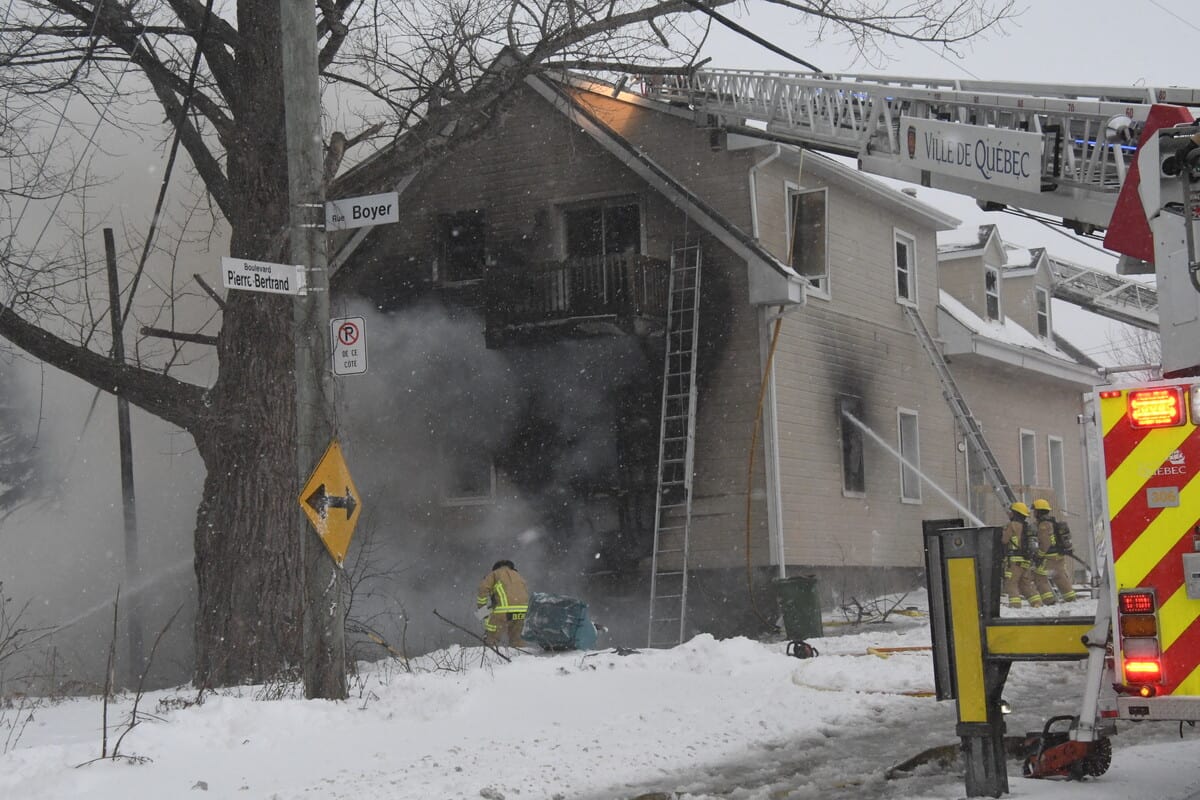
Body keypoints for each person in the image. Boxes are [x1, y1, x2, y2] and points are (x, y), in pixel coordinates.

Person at [476, 559, 529, 647]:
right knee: (517, 640)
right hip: (522, 611)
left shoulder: (494, 574)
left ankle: (490, 654)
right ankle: (519, 658)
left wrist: (482, 609)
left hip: (503, 611)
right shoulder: (518, 575)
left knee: (492, 638)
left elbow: (483, 589)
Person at [1033, 498, 1077, 603]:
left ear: (1039, 511)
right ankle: (1070, 598)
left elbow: (1045, 543)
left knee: (1039, 577)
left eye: (1034, 510)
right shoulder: (1053, 522)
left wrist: (1039, 555)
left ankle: (1049, 600)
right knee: (1059, 577)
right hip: (1059, 555)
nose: (1033, 513)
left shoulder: (1043, 525)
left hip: (1049, 557)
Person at [1002, 502, 1042, 608]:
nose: (1009, 513)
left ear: (1015, 513)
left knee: (1011, 583)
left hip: (1014, 561)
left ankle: (1015, 605)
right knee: (1025, 584)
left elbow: (1004, 540)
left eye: (1011, 512)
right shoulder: (1026, 527)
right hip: (1026, 560)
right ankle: (1037, 603)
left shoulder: (1012, 525)